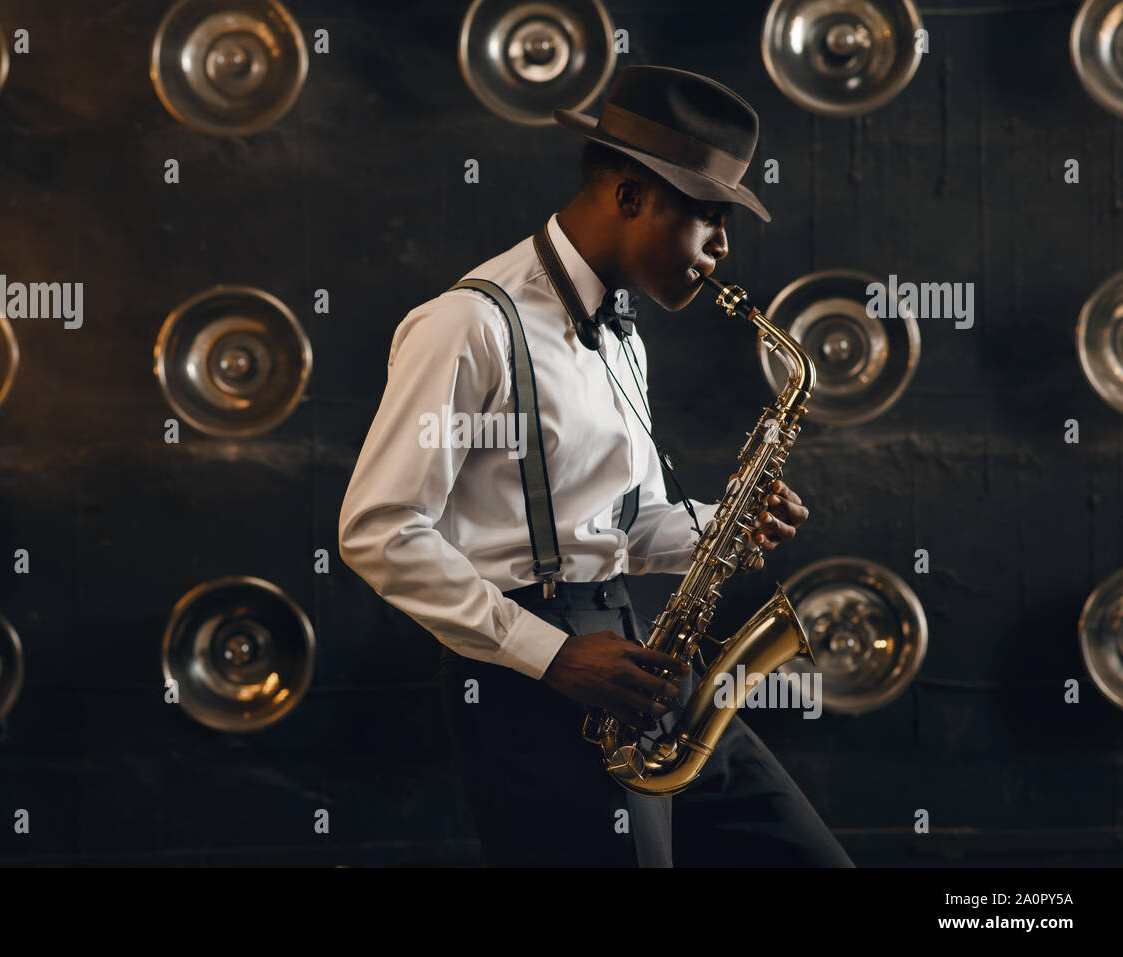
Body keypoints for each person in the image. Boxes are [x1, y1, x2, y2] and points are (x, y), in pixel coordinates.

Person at [339, 66, 852, 867]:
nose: (723, 248)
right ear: (632, 195)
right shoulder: (467, 324)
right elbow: (379, 530)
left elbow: (629, 521)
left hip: (639, 651)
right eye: (708, 218)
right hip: (533, 684)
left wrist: (723, 526)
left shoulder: (622, 334)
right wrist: (551, 653)